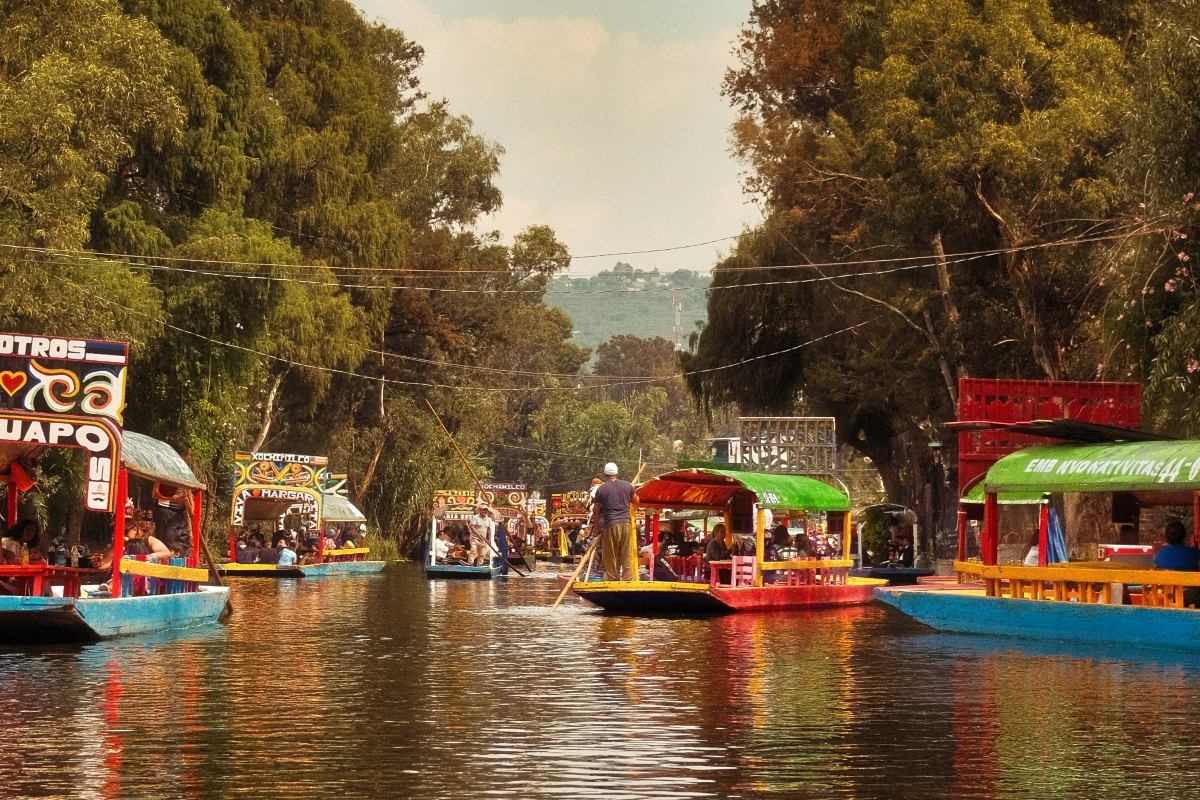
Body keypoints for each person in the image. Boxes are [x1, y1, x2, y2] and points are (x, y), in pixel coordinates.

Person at [591, 462, 638, 582]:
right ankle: (627, 579)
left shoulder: (601, 489)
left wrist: (597, 528)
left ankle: (612, 580)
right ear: (617, 473)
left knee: (610, 555)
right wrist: (631, 492)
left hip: (610, 525)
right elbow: (636, 501)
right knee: (626, 554)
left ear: (605, 474)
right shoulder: (627, 486)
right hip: (626, 524)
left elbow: (596, 510)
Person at [468, 502, 497, 567]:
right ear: (480, 510)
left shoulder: (488, 519)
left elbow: (489, 530)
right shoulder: (476, 517)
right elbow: (472, 527)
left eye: (486, 510)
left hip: (483, 539)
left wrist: (489, 539)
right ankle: (470, 564)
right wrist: (478, 535)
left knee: (482, 553)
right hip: (475, 538)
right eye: (483, 510)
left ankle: (480, 564)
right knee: (473, 550)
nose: (485, 511)